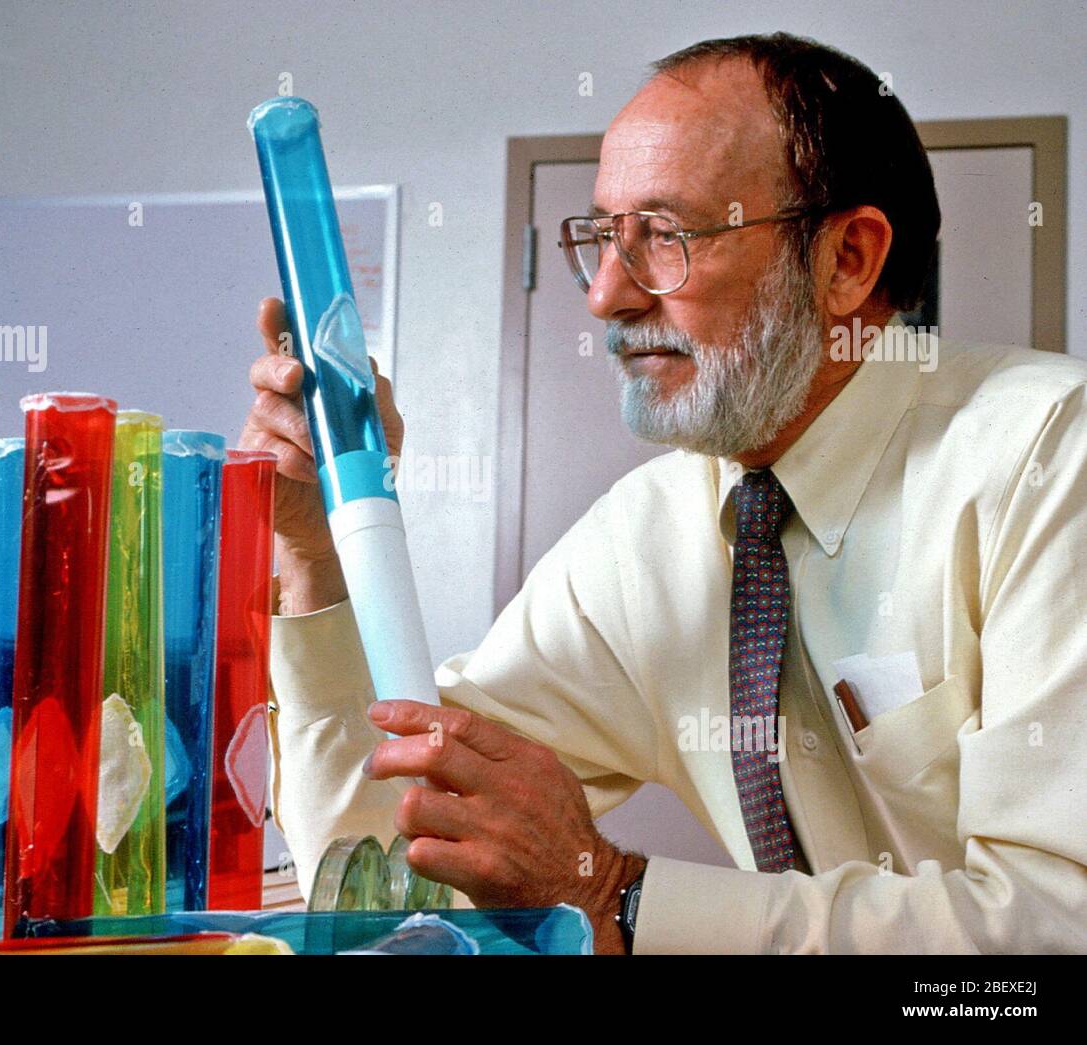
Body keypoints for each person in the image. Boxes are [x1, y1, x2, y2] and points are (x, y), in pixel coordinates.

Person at [239, 32, 1087, 953]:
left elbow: (1049, 934)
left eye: (668, 236)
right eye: (604, 237)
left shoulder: (1050, 459)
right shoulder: (653, 531)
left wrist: (618, 896)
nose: (607, 295)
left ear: (847, 260)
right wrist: (315, 563)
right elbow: (392, 861)